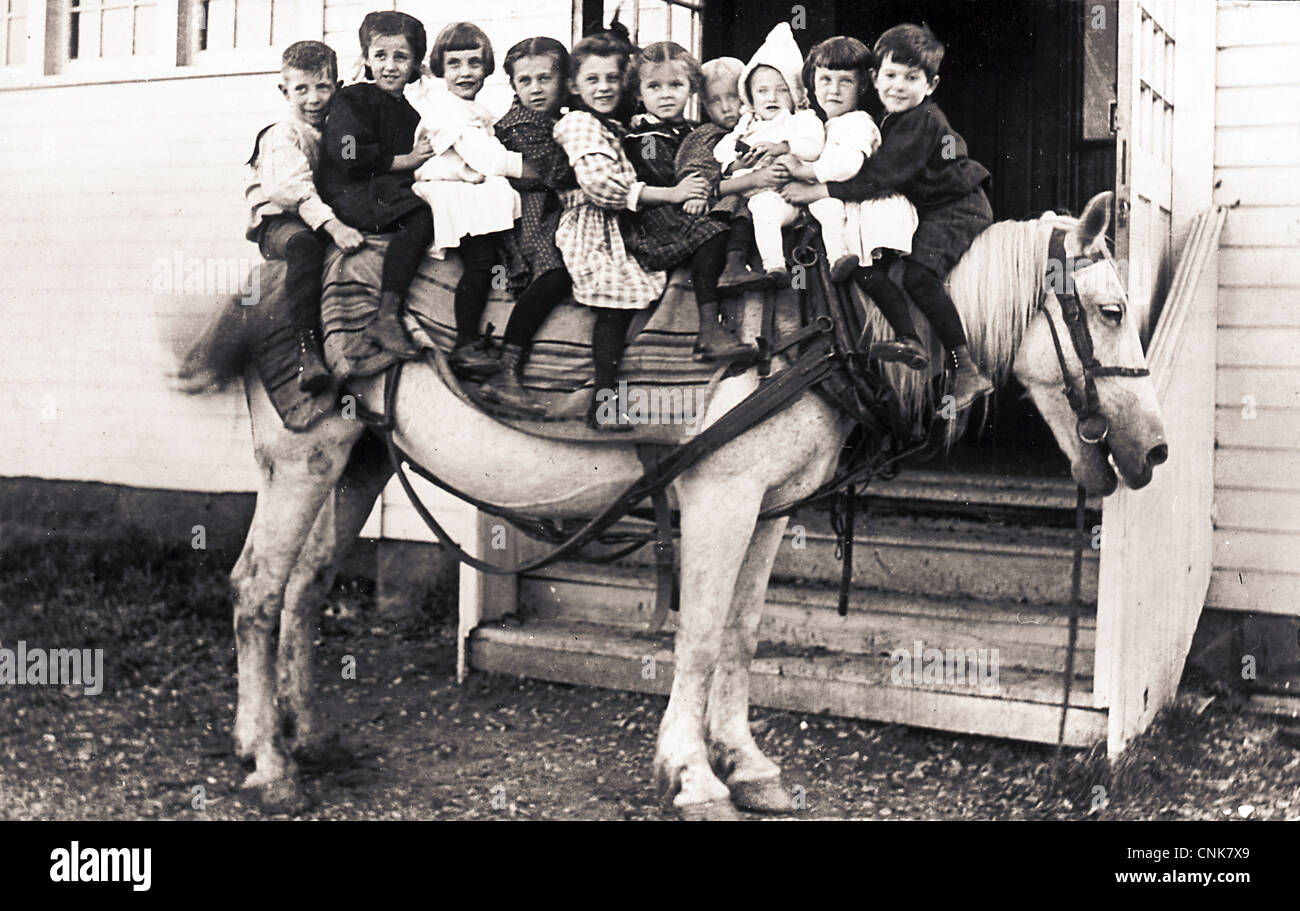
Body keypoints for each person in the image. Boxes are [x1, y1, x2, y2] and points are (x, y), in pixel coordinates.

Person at [783, 23, 994, 411]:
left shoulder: (923, 120)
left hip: (957, 206)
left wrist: (817, 189)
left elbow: (879, 178)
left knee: (919, 276)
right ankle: (909, 339)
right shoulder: (891, 119)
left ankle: (964, 367)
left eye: (911, 78)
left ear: (929, 86)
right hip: (934, 205)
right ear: (875, 78)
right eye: (891, 75)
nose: (898, 86)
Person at [772, 36, 922, 368]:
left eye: (846, 81)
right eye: (825, 79)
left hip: (876, 210)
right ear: (812, 82)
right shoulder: (828, 124)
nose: (833, 90)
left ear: (863, 86)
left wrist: (805, 170)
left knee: (869, 274)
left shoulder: (858, 123)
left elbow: (846, 166)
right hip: (854, 211)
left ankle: (908, 336)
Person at [551, 32, 671, 431]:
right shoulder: (581, 124)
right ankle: (602, 402)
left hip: (616, 224)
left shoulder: (614, 125)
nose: (603, 88)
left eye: (612, 79)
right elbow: (600, 186)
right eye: (592, 80)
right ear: (573, 86)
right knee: (615, 305)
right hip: (591, 225)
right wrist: (663, 194)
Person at [244, 40, 366, 392]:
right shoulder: (283, 134)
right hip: (279, 220)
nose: (313, 99)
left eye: (323, 87)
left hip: (317, 211)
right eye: (301, 89)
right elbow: (291, 190)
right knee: (306, 247)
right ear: (284, 91)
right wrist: (335, 226)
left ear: (337, 88)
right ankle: (305, 348)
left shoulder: (334, 129)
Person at [407, 22, 526, 380]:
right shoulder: (447, 110)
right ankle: (465, 341)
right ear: (441, 68)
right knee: (481, 259)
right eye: (455, 64)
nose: (465, 73)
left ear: (487, 68)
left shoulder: (475, 109)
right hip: (449, 191)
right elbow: (489, 160)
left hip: (466, 187)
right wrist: (539, 170)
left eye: (474, 63)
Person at [316, 10, 435, 359]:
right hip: (353, 191)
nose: (390, 66)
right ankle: (386, 316)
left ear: (415, 65)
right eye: (380, 55)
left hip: (384, 190)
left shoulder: (411, 113)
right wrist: (406, 160)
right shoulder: (353, 98)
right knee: (421, 218)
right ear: (366, 58)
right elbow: (348, 151)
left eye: (401, 57)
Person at [622, 41, 751, 362]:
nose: (666, 94)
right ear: (639, 93)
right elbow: (664, 176)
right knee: (712, 232)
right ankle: (708, 328)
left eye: (676, 85)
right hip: (660, 215)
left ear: (691, 89)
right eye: (654, 86)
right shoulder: (646, 139)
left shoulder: (693, 130)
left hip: (688, 204)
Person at [480, 37, 576, 417]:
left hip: (550, 208)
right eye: (525, 80)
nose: (535, 88)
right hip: (530, 216)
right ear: (514, 86)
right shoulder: (521, 124)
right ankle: (508, 368)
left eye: (545, 78)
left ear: (564, 80)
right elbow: (559, 171)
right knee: (556, 272)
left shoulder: (557, 120)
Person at [712, 22, 824, 287]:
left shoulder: (801, 120)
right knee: (762, 208)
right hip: (761, 198)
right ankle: (774, 267)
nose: (771, 97)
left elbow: (813, 145)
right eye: (762, 90)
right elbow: (721, 154)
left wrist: (785, 147)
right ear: (750, 95)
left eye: (781, 89)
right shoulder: (746, 126)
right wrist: (739, 162)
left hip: (797, 195)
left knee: (823, 209)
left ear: (795, 93)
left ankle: (837, 257)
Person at [675, 56, 776, 294]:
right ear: (705, 106)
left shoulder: (761, 126)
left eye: (732, 97)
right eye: (714, 100)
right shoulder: (707, 135)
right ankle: (734, 264)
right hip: (726, 208)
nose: (726, 107)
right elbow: (698, 176)